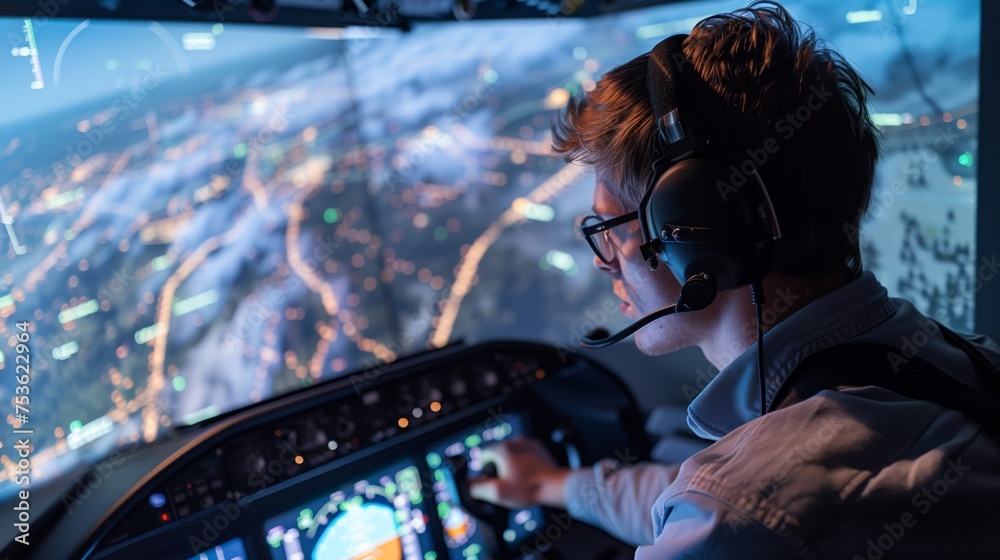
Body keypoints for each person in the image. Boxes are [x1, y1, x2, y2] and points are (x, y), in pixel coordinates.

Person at [468, 2, 1000, 557]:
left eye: (609, 227)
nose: (604, 261)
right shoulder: (956, 360)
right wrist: (551, 485)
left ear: (700, 231)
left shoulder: (741, 516)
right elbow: (701, 497)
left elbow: (733, 505)